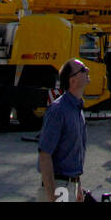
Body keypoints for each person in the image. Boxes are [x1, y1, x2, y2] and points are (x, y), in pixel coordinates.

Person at [37, 58, 90, 202]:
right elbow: (45, 154)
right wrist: (52, 195)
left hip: (70, 186)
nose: (88, 71)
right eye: (83, 69)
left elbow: (74, 153)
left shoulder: (77, 109)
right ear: (72, 80)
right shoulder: (59, 110)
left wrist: (78, 185)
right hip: (59, 187)